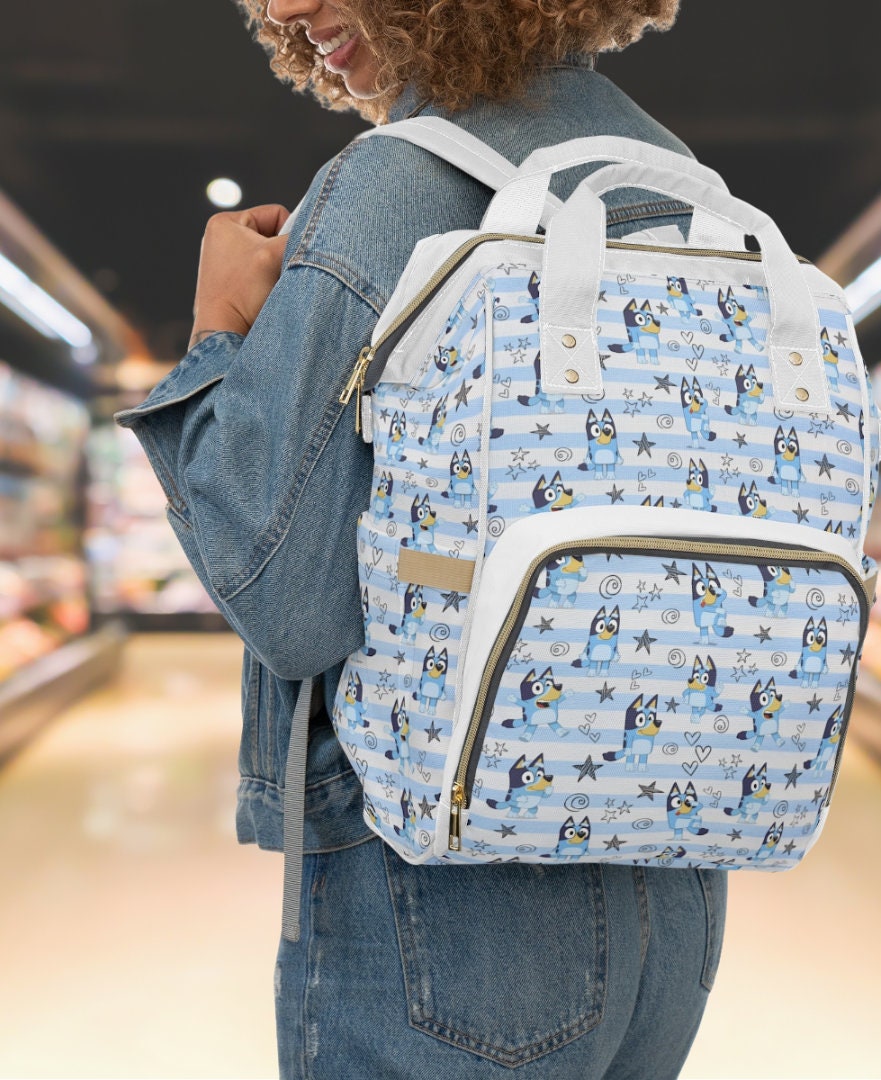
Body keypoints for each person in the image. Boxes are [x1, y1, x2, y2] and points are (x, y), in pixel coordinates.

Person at [115, 2, 727, 1076]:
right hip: (670, 874)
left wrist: (216, 332)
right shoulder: (677, 181)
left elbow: (284, 598)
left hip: (446, 897)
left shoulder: (395, 187)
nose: (288, 10)